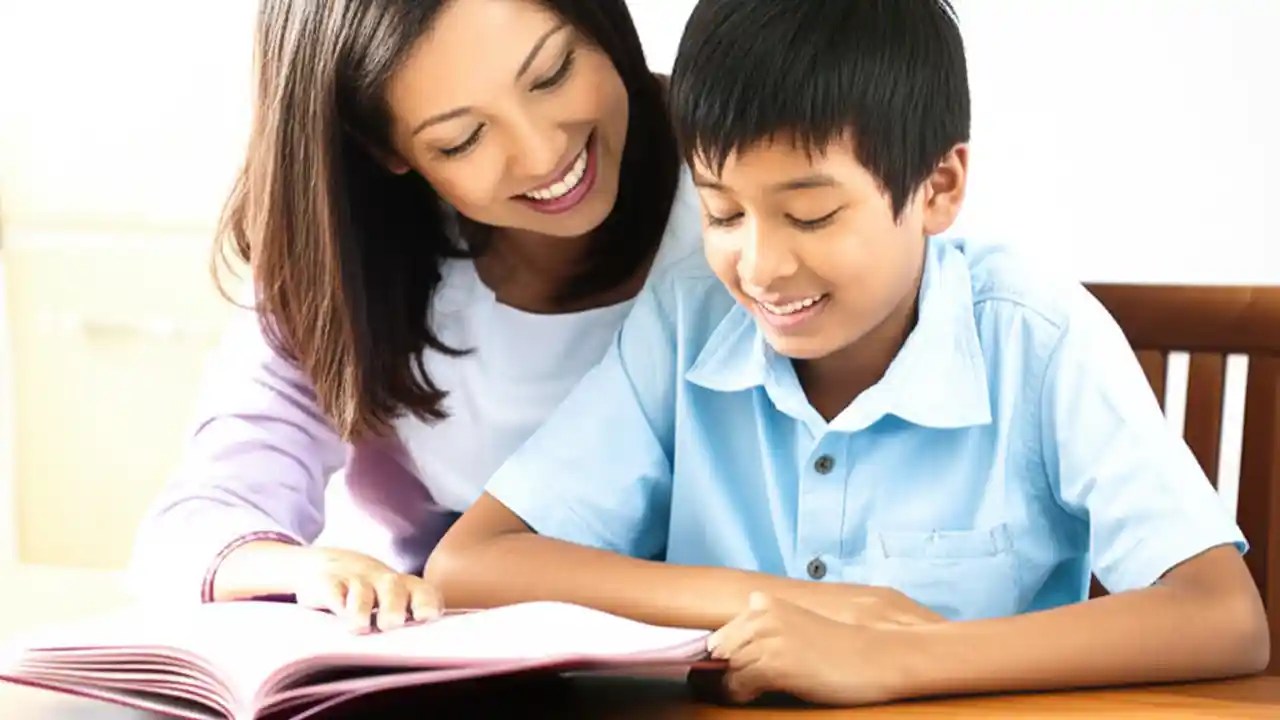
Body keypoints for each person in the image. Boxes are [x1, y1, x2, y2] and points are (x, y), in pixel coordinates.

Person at [425, 0, 1269, 705]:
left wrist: (888, 659)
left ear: (938, 189)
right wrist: (794, 608)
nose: (759, 267)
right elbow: (470, 563)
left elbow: (1222, 617)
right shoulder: (687, 319)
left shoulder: (1035, 336)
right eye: (721, 214)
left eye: (812, 215)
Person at [127, 0, 702, 633]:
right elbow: (199, 521)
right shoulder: (353, 260)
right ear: (382, 148)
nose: (542, 154)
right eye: (462, 139)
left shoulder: (751, 173)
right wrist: (303, 570)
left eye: (552, 73)